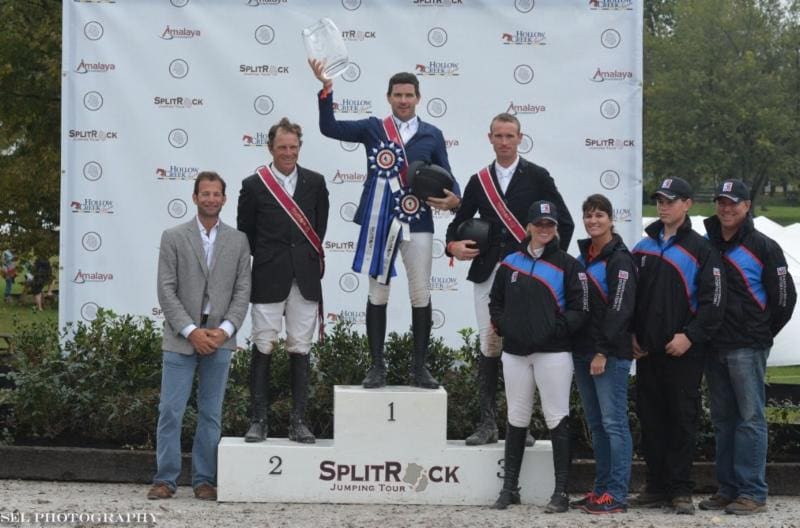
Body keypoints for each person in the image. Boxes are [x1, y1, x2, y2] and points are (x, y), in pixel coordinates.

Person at [309, 59, 460, 389]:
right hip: (380, 222)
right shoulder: (373, 128)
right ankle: (377, 366)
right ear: (388, 97)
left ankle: (420, 368)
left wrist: (455, 198)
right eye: (397, 95)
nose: (403, 100)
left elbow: (448, 176)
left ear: (418, 98)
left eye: (409, 95)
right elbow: (329, 128)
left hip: (418, 222)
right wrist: (326, 90)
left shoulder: (432, 135)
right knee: (378, 292)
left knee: (420, 293)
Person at [445, 112, 573, 446]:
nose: (504, 142)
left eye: (510, 136)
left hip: (527, 276)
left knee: (522, 346)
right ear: (490, 138)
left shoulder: (538, 177)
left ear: (520, 138)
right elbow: (456, 224)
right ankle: (487, 423)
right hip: (489, 274)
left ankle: (521, 426)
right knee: (490, 346)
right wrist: (453, 245)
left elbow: (566, 223)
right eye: (498, 136)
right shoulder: (478, 180)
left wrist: (550, 265)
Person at [147, 172, 251, 502]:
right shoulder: (174, 237)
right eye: (204, 194)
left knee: (210, 414)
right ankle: (165, 479)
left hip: (220, 339)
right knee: (171, 410)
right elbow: (166, 290)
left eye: (215, 194)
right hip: (181, 338)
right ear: (194, 198)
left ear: (224, 199)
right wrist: (192, 332)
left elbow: (242, 291)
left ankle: (205, 480)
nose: (210, 199)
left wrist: (224, 331)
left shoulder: (238, 241)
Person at [699, 179, 796, 515]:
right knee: (724, 420)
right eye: (722, 202)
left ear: (747, 206)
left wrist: (761, 333)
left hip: (747, 346)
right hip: (714, 345)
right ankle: (727, 489)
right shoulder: (707, 243)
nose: (727, 208)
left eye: (734, 203)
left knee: (751, 419)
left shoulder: (764, 246)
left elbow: (785, 297)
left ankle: (753, 491)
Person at [630, 177, 725, 515]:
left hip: (684, 350)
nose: (663, 206)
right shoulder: (642, 247)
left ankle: (680, 490)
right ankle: (655, 486)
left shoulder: (702, 250)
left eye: (671, 200)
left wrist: (690, 336)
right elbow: (628, 299)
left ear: (687, 204)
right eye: (659, 200)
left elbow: (714, 302)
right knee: (651, 419)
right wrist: (631, 335)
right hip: (646, 351)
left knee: (682, 419)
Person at [489, 200, 589, 513]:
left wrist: (553, 331)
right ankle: (509, 489)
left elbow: (580, 309)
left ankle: (560, 493)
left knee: (556, 417)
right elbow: (495, 303)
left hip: (553, 354)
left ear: (556, 228)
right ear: (529, 226)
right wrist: (507, 327)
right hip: (516, 354)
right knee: (516, 418)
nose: (545, 229)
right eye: (540, 224)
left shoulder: (569, 265)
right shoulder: (509, 263)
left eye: (550, 224)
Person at [237, 118, 329, 444]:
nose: (288, 153)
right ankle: (258, 420)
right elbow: (246, 233)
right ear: (271, 148)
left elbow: (318, 230)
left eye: (293, 147)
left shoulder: (315, 183)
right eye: (282, 147)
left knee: (300, 347)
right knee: (263, 344)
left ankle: (298, 422)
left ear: (300, 147)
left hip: (303, 277)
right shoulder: (253, 185)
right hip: (268, 276)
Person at [571, 194, 636, 514]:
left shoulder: (620, 259)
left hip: (608, 355)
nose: (593, 221)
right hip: (583, 353)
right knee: (596, 425)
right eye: (588, 216)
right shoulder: (584, 256)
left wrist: (602, 351)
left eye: (599, 215)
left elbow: (620, 309)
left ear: (611, 219)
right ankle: (600, 490)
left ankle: (618, 494)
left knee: (614, 424)